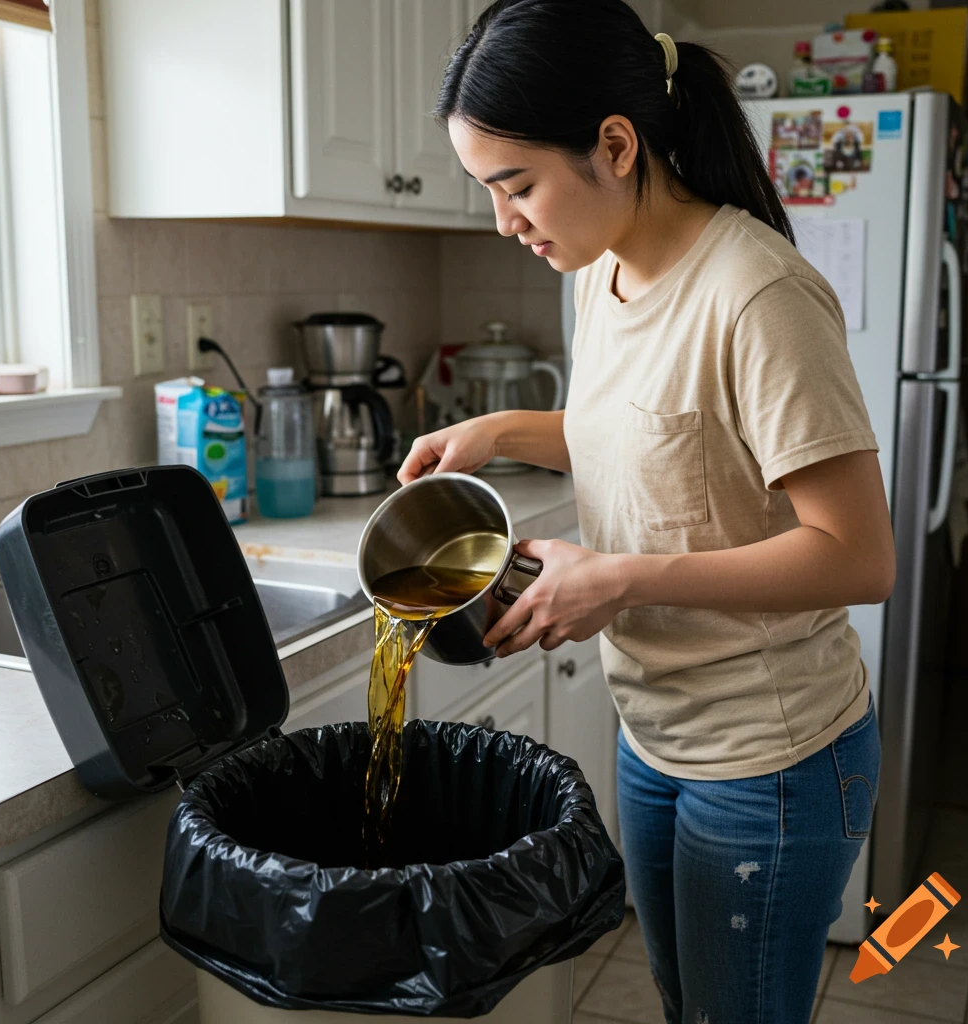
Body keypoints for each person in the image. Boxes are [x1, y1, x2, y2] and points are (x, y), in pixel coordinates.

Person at [398, 2, 893, 1021]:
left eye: (517, 185)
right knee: (685, 1001)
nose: (506, 222)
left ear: (614, 147)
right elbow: (646, 433)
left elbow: (856, 556)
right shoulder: (600, 271)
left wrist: (616, 576)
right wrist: (498, 429)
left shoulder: (757, 296)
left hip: (772, 757)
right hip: (655, 732)